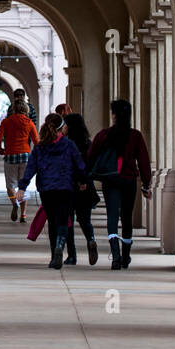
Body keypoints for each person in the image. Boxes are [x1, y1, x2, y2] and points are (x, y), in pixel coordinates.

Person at [86, 98, 152, 269]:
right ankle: (126, 256)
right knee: (127, 217)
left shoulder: (104, 135)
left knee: (112, 217)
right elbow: (144, 162)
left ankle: (115, 256)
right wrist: (146, 184)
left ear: (114, 115)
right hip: (129, 180)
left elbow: (91, 156)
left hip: (110, 180)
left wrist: (87, 176)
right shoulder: (135, 136)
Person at [18, 112, 86, 269]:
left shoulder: (40, 147)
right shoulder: (69, 145)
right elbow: (79, 164)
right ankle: (59, 247)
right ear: (61, 129)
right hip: (65, 188)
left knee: (53, 221)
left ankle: (54, 255)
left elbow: (31, 169)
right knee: (63, 220)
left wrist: (22, 187)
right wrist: (82, 181)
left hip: (46, 189)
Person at [63, 113, 99, 266]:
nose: (63, 128)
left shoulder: (65, 144)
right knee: (85, 220)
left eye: (65, 125)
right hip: (85, 186)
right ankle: (91, 239)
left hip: (68, 186)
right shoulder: (88, 143)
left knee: (68, 222)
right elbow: (91, 165)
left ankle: (72, 255)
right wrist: (84, 180)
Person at [0, 95, 39, 223]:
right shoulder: (29, 122)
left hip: (10, 155)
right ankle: (23, 215)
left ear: (13, 109)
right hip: (25, 155)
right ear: (26, 109)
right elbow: (36, 140)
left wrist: (1, 150)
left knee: (10, 185)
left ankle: (15, 203)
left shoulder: (6, 121)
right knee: (23, 186)